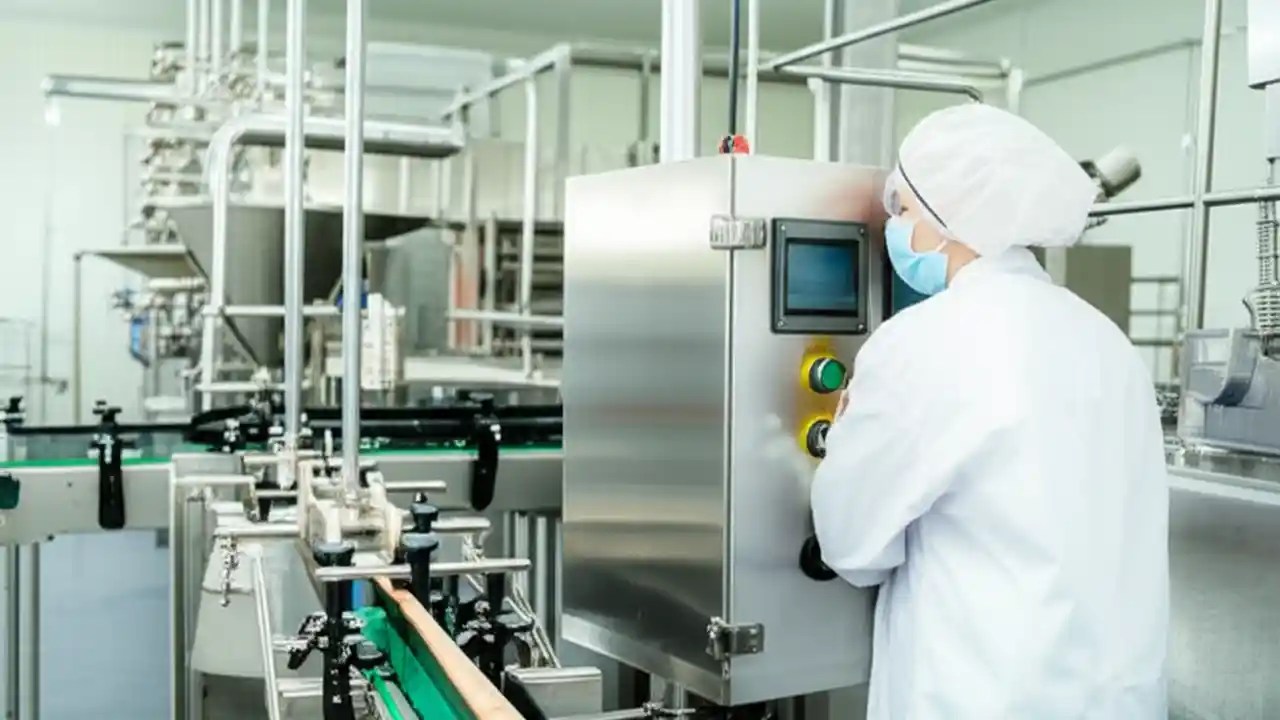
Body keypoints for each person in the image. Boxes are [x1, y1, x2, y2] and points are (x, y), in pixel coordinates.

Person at [811, 103, 1168, 719]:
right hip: (1114, 700)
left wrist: (843, 442)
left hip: (978, 696)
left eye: (905, 210)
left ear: (949, 218)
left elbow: (851, 546)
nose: (896, 227)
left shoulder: (923, 342)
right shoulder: (1108, 341)